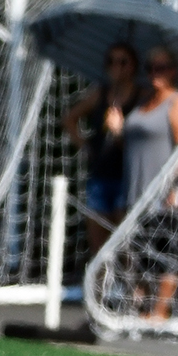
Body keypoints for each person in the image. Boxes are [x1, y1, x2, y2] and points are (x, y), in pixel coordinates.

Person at [123, 46, 178, 320]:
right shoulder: (144, 101)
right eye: (151, 68)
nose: (156, 73)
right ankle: (141, 308)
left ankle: (160, 310)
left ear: (174, 71)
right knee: (140, 253)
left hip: (164, 192)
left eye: (162, 68)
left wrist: (176, 187)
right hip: (136, 188)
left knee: (165, 252)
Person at [62, 43, 141, 257]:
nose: (117, 66)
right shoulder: (101, 94)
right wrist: (85, 146)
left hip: (127, 176)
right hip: (100, 174)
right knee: (98, 246)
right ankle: (99, 288)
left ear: (133, 66)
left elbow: (140, 143)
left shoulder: (141, 98)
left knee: (125, 244)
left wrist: (119, 131)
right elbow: (69, 118)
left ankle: (127, 287)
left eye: (123, 61)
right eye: (111, 61)